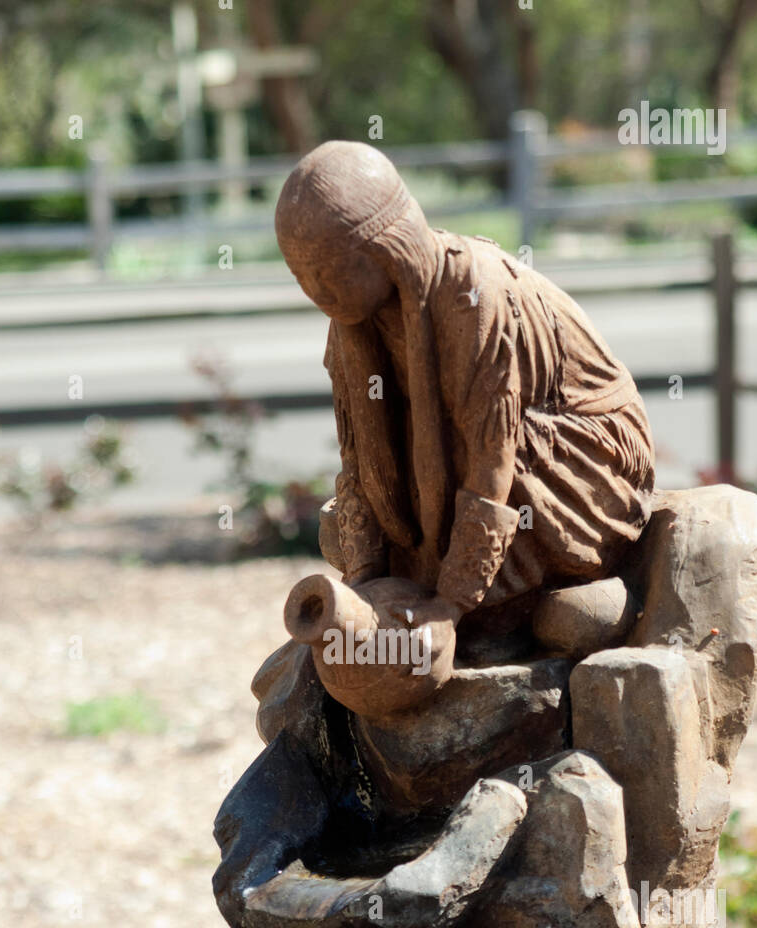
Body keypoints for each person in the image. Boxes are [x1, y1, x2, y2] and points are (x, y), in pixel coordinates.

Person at [275, 140, 655, 637]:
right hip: (488, 451)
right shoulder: (353, 320)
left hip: (586, 456)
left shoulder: (474, 297)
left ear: (384, 247)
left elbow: (493, 453)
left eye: (330, 273)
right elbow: (357, 456)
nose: (318, 293)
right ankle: (425, 573)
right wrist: (367, 575)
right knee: (352, 517)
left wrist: (450, 602)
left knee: (484, 439)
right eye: (302, 277)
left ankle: (491, 609)